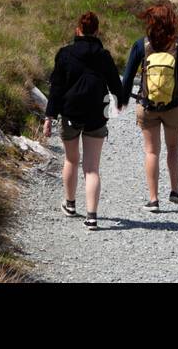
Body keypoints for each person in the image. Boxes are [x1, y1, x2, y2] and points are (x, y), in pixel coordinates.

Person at [43, 12, 126, 230]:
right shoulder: (104, 56)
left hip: (70, 114)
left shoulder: (64, 54)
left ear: (78, 30)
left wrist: (49, 116)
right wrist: (120, 103)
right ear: (97, 31)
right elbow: (116, 86)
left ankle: (70, 204)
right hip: (96, 115)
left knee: (71, 160)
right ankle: (92, 217)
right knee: (92, 168)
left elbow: (57, 89)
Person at [122, 0, 178, 211]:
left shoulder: (141, 45)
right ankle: (174, 191)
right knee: (173, 148)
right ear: (172, 22)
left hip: (148, 107)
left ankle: (153, 199)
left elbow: (128, 78)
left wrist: (121, 101)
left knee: (151, 152)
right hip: (174, 107)